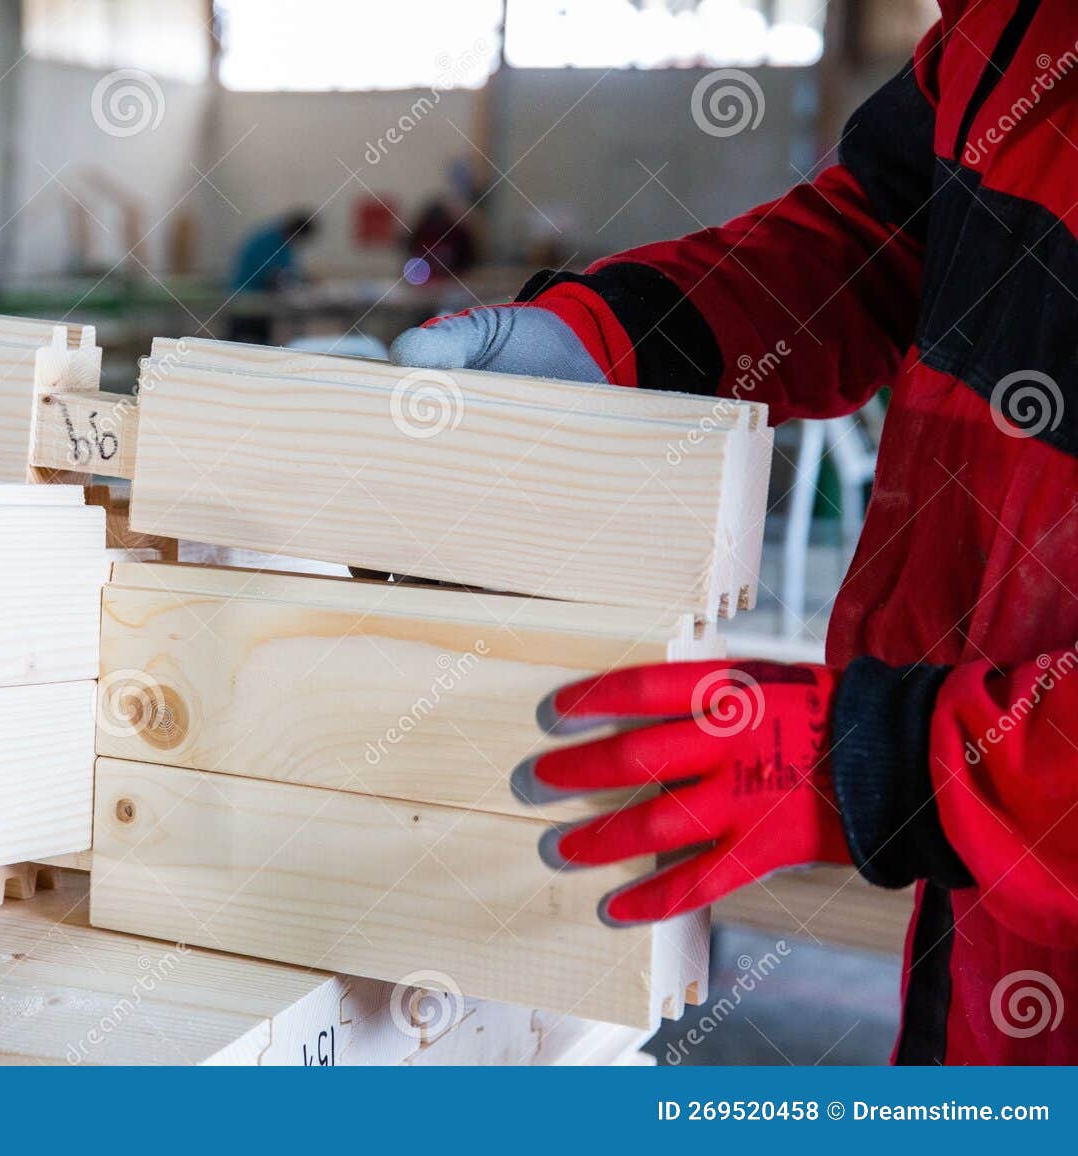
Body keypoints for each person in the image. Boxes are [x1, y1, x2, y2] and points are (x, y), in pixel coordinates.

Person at [392, 1, 1078, 1066]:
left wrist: (889, 764)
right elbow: (877, 238)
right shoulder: (1014, 30)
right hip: (984, 895)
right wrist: (619, 332)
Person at [230, 209, 317, 294]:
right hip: (249, 293)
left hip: (264, 293)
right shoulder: (266, 241)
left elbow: (288, 271)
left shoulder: (284, 243)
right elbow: (271, 276)